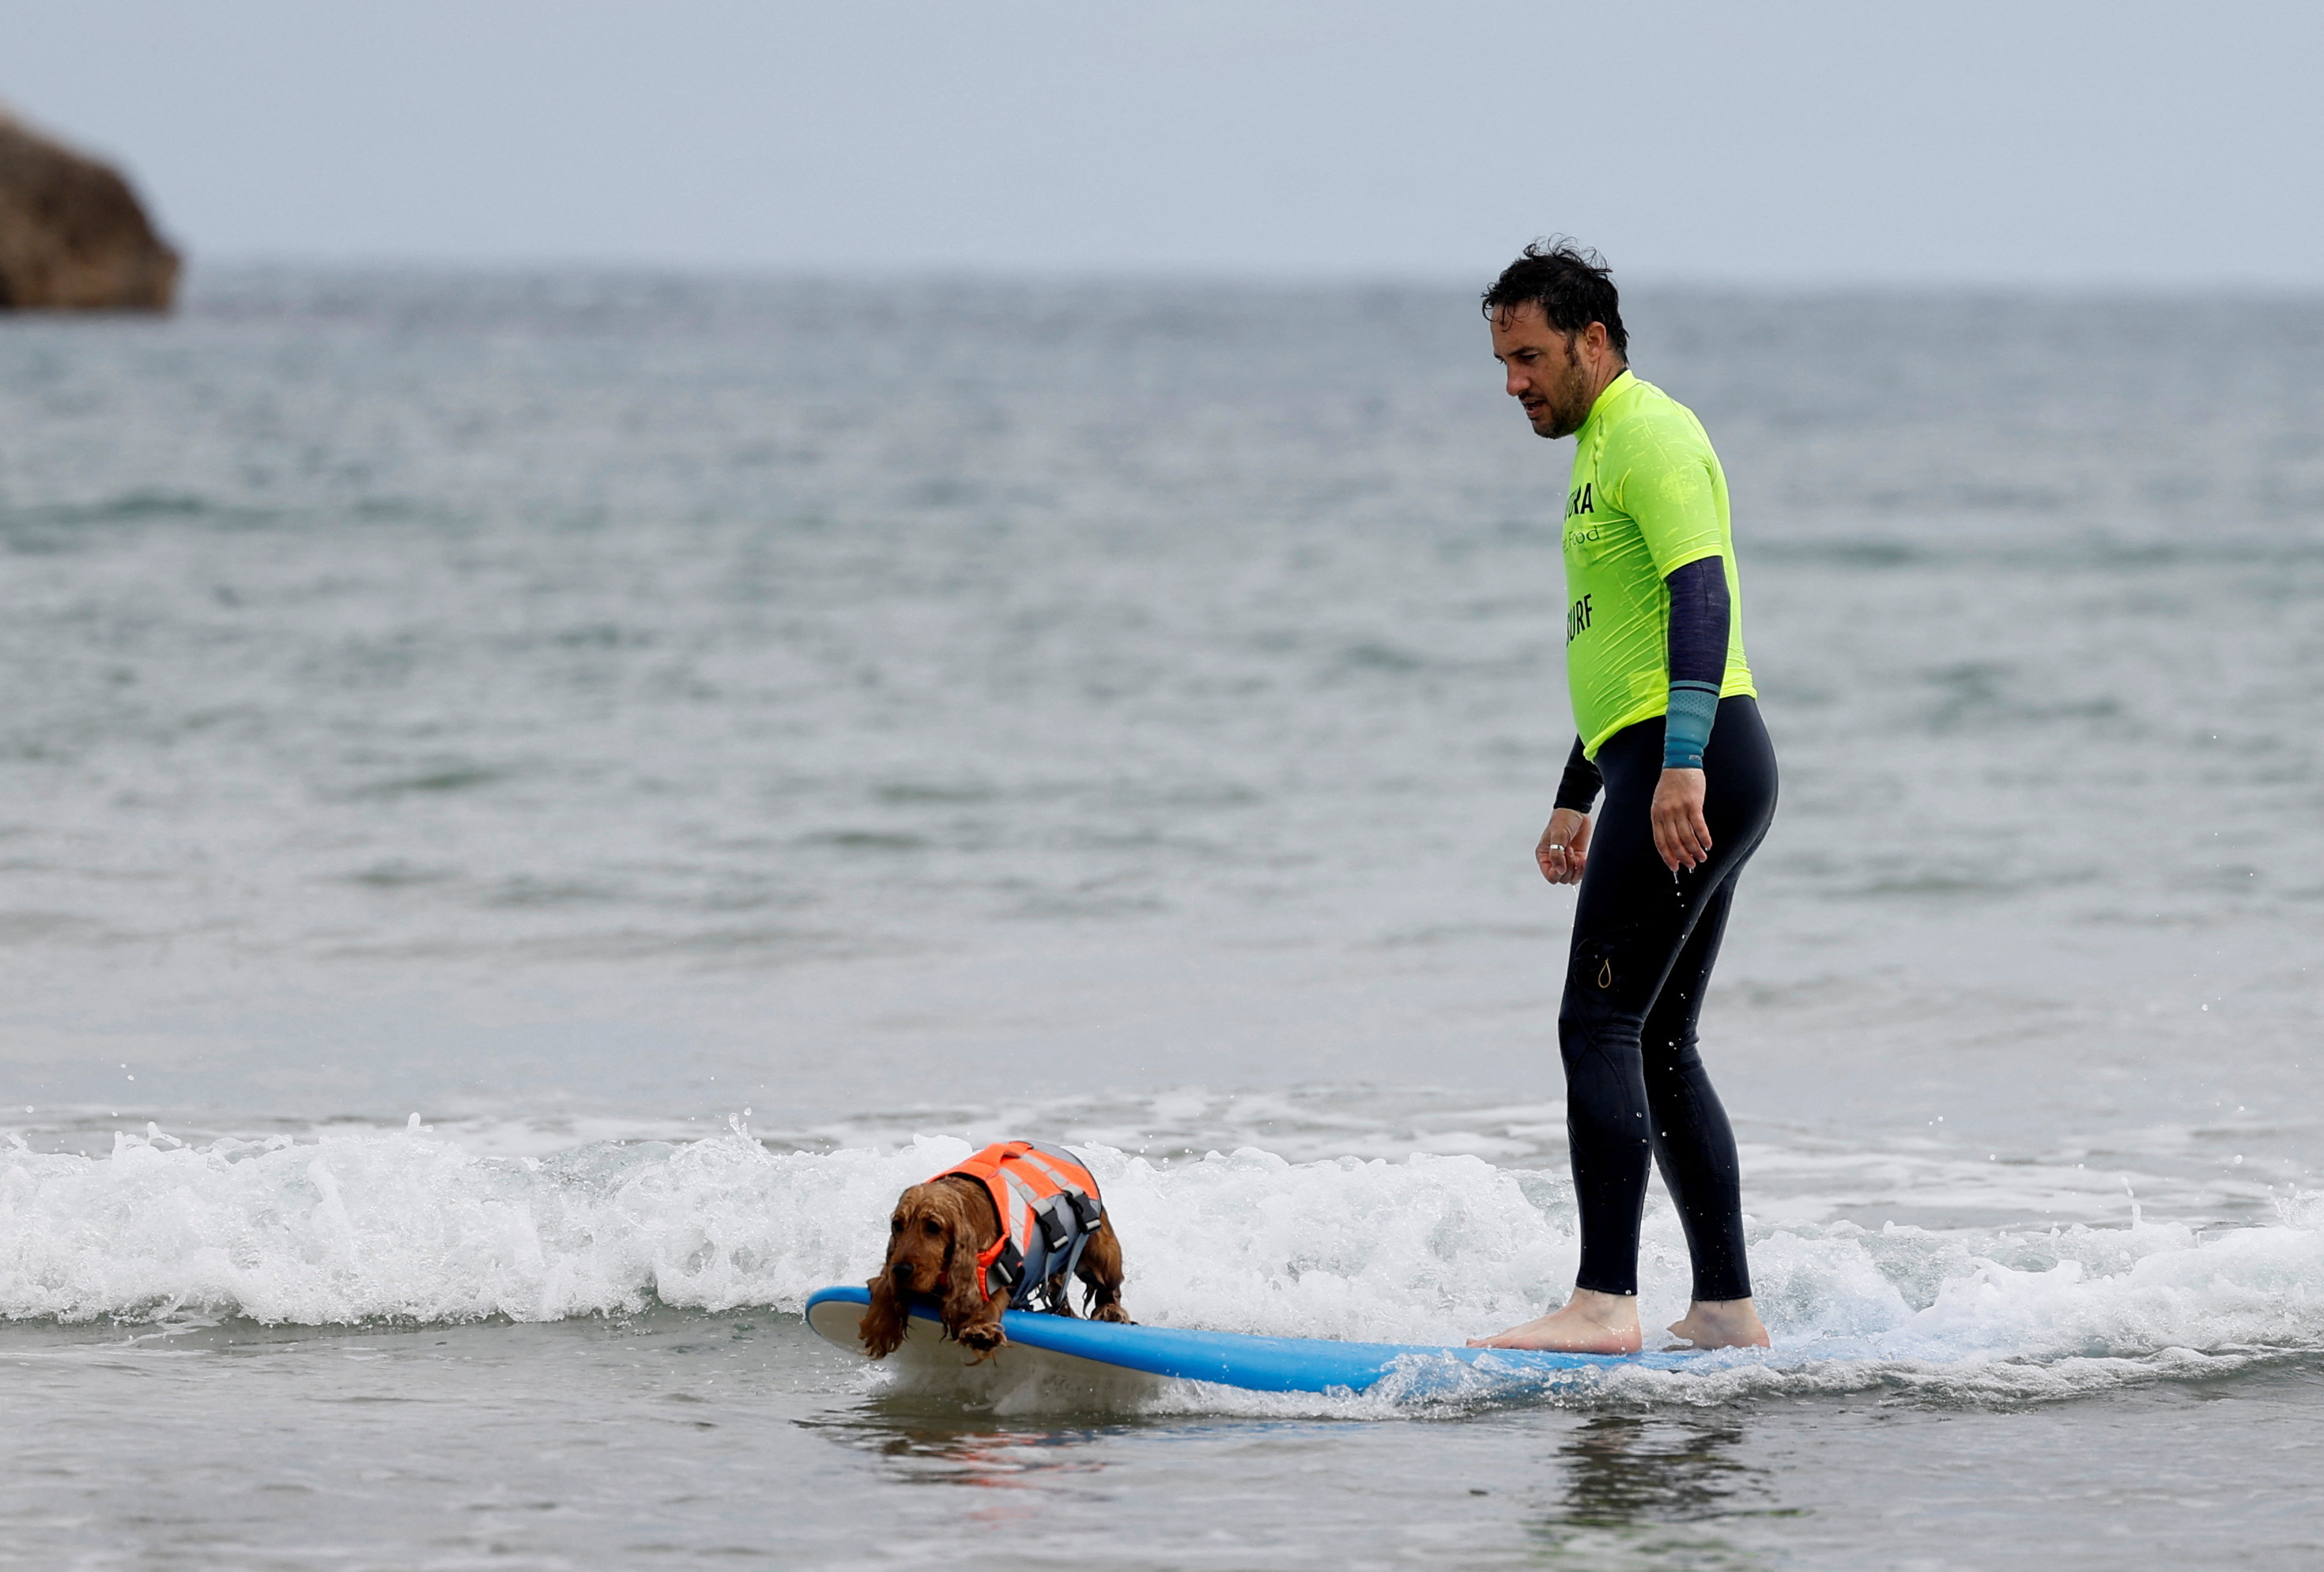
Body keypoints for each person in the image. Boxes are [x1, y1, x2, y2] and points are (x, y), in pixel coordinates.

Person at [1469, 241, 1778, 1354]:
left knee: (1597, 1019)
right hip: (1662, 757)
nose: (1515, 382)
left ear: (1593, 340)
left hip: (1690, 762)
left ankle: (1604, 1303)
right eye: (1504, 361)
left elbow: (1703, 596)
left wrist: (1680, 764)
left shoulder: (1650, 433)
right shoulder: (1598, 446)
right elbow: (1623, 646)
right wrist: (1575, 791)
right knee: (1657, 1039)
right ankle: (1727, 1308)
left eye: (1531, 356)